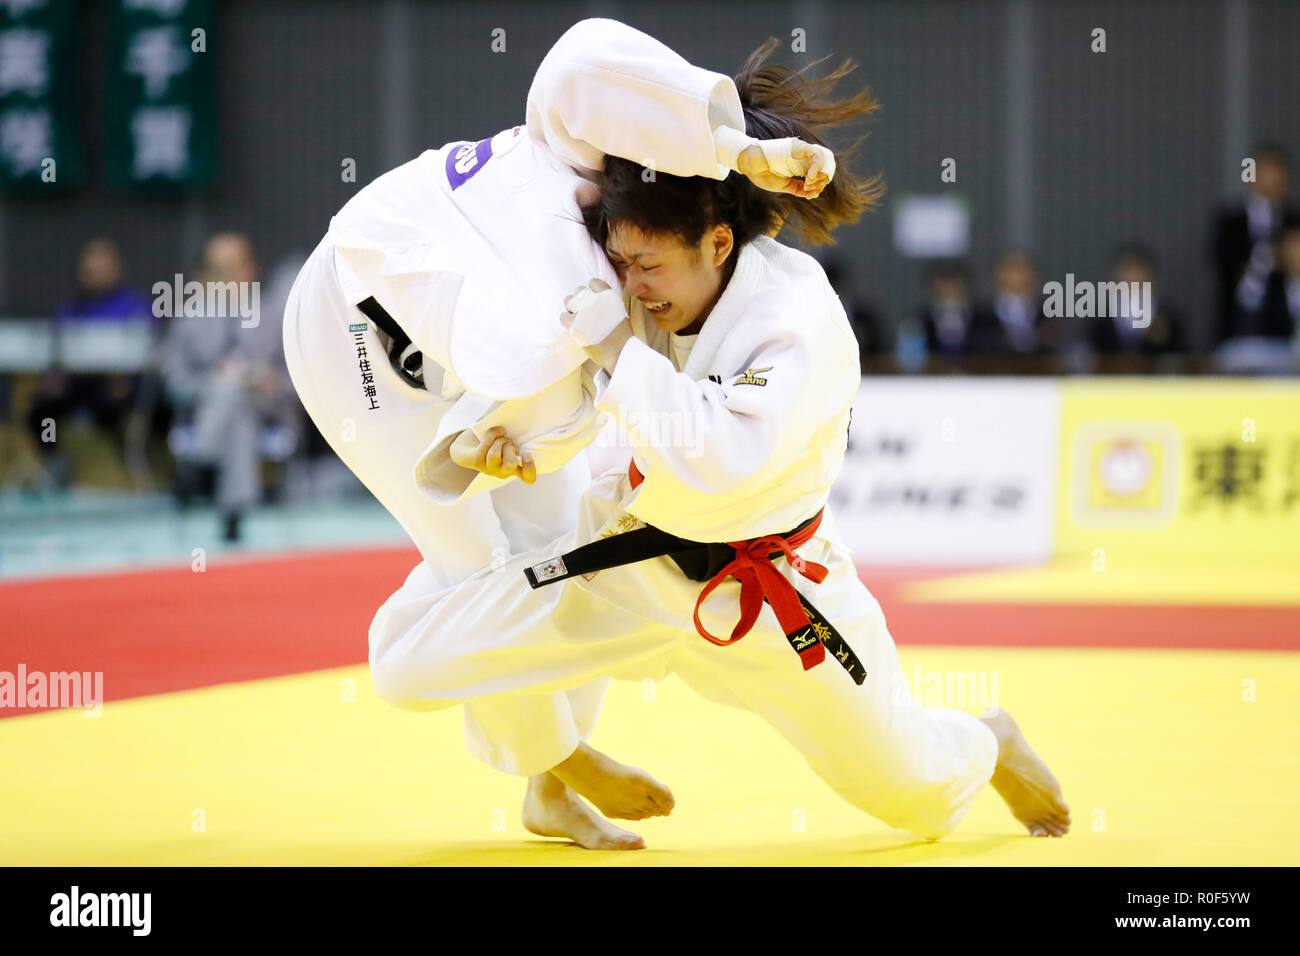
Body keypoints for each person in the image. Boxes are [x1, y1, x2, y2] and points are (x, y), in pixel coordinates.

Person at [373, 40, 1071, 848]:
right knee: (405, 662)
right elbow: (544, 376)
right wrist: (484, 438)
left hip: (775, 589)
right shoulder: (628, 297)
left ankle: (989, 740)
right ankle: (557, 768)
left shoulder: (795, 319)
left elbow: (717, 459)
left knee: (912, 793)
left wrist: (613, 352)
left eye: (649, 265)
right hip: (632, 563)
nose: (633, 284)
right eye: (621, 261)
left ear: (718, 244)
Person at [281, 18, 835, 849]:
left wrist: (509, 448)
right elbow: (584, 57)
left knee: (573, 544)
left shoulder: (626, 289)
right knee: (475, 570)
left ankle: (541, 787)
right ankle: (562, 758)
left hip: (475, 373)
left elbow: (570, 396)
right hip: (352, 330)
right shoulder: (572, 150)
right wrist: (738, 149)